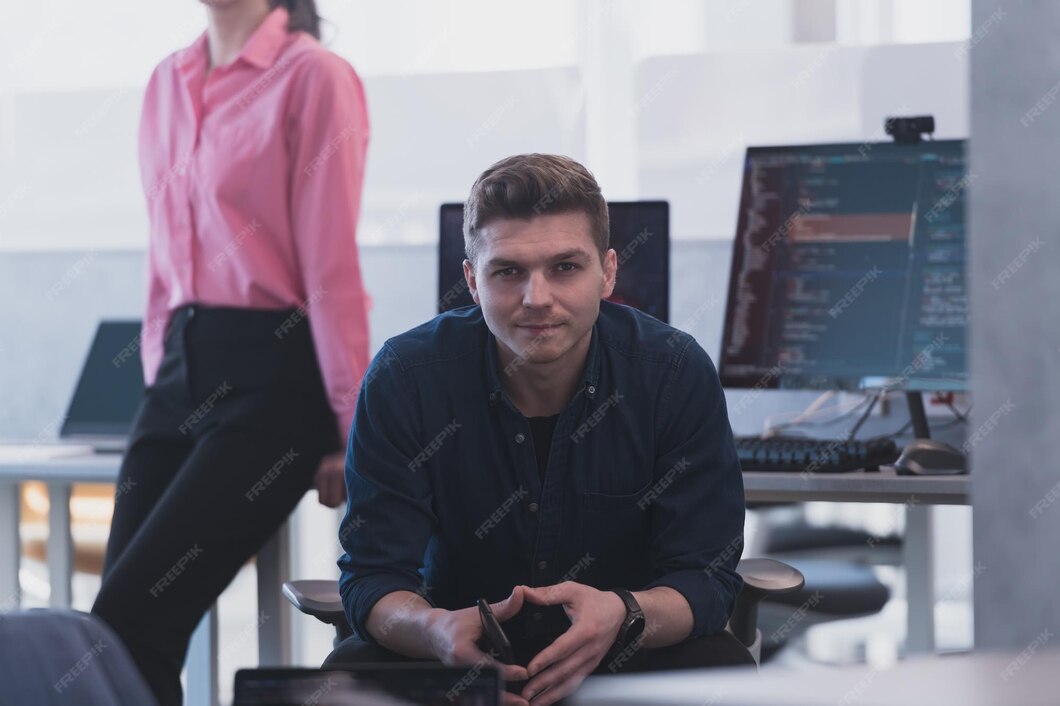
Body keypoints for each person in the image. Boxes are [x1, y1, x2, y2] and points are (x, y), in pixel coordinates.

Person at [330, 154, 749, 706]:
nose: (537, 298)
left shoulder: (672, 373)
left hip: (624, 656)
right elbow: (374, 577)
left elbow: (706, 579)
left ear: (609, 272)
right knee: (351, 673)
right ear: (472, 283)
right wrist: (432, 631)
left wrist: (624, 614)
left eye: (565, 268)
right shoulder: (405, 379)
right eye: (507, 271)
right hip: (457, 661)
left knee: (718, 663)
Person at [91, 1, 370, 703]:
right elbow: (163, 257)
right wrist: (163, 382)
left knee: (135, 617)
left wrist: (355, 432)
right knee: (107, 635)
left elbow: (330, 269)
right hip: (180, 370)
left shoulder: (312, 75)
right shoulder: (168, 81)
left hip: (272, 379)